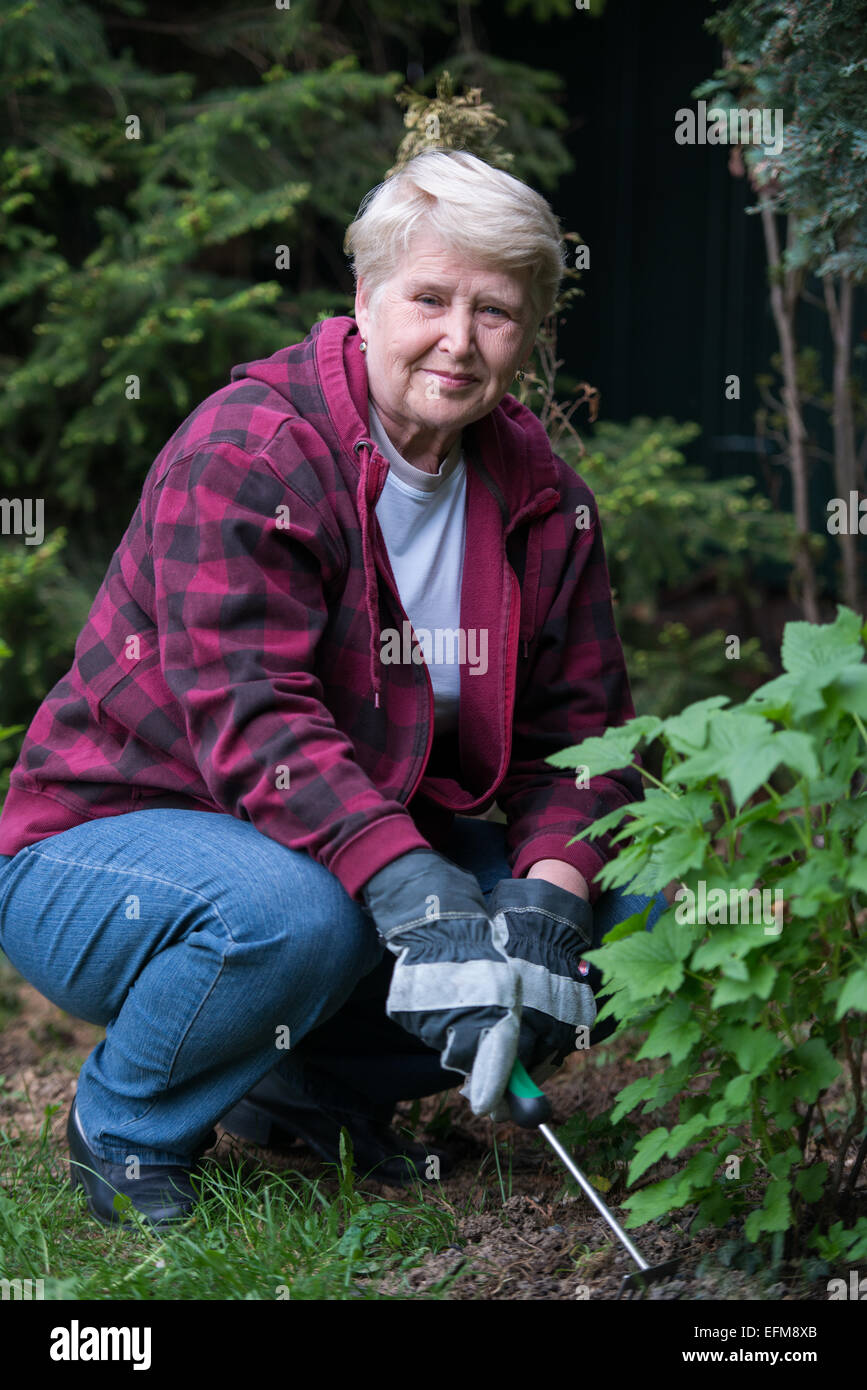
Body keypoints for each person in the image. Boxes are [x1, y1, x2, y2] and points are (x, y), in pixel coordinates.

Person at [0, 148, 667, 1228]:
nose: (459, 340)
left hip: (339, 843)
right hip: (108, 843)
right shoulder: (253, 451)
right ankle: (126, 1124)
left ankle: (306, 1084)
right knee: (306, 912)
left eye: (495, 312)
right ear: (365, 298)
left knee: (636, 906)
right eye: (431, 299)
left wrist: (545, 903)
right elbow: (255, 719)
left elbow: (582, 734)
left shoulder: (545, 498)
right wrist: (423, 900)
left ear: (531, 332)